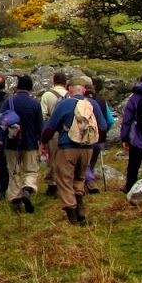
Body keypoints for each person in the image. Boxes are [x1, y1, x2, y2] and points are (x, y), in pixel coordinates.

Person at [39, 75, 96, 225]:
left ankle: (72, 215)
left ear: (69, 90)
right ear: (84, 90)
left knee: (64, 180)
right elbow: (104, 125)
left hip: (67, 147)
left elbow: (50, 127)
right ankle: (81, 209)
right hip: (87, 148)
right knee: (79, 177)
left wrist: (43, 142)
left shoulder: (64, 105)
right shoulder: (92, 104)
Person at [3, 74, 46, 214]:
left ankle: (15, 201)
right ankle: (27, 189)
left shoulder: (9, 101)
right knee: (31, 170)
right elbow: (41, 126)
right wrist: (42, 142)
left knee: (14, 172)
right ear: (31, 88)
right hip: (30, 143)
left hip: (12, 143)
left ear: (17, 86)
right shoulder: (34, 103)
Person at [83, 80, 115, 194]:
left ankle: (89, 181)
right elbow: (110, 121)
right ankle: (88, 181)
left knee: (84, 163)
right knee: (91, 163)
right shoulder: (102, 101)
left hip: (85, 139)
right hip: (100, 138)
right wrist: (104, 132)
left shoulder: (81, 102)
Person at [39, 71, 68, 196]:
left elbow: (43, 115)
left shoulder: (47, 95)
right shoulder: (70, 95)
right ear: (65, 83)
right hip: (68, 132)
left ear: (53, 81)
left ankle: (52, 185)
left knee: (52, 159)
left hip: (53, 132)